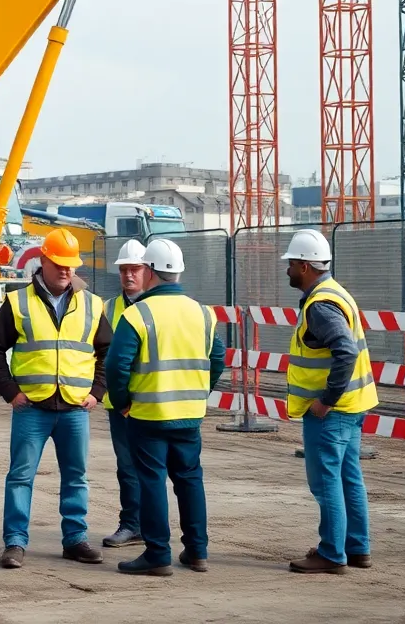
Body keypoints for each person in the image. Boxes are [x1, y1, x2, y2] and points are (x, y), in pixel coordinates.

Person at [0, 228, 111, 569]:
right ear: (43, 262)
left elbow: (107, 352)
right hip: (32, 408)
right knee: (21, 476)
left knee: (76, 477)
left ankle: (75, 540)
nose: (66, 270)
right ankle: (14, 543)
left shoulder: (92, 304)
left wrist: (98, 392)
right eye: (59, 264)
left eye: (71, 264)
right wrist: (10, 392)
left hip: (74, 408)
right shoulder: (19, 302)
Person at [104, 238, 226, 576]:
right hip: (189, 415)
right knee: (190, 479)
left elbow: (116, 366)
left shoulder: (139, 313)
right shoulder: (203, 313)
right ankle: (197, 552)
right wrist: (200, 393)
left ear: (150, 271)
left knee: (152, 480)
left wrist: (123, 402)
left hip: (149, 415)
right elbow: (217, 358)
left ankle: (158, 554)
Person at [280, 229, 378, 575]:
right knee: (349, 478)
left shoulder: (321, 305)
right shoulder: (335, 293)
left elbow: (345, 350)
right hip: (354, 406)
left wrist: (326, 399)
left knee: (326, 483)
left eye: (291, 264)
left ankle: (332, 553)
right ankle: (357, 548)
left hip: (333, 411)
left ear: (305, 266)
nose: (288, 270)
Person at [100, 238, 147, 549]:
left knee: (158, 466)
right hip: (120, 403)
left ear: (147, 271)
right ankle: (132, 524)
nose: (128, 275)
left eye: (134, 269)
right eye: (124, 270)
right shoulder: (108, 309)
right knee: (127, 465)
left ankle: (151, 525)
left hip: (152, 400)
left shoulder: (156, 306)